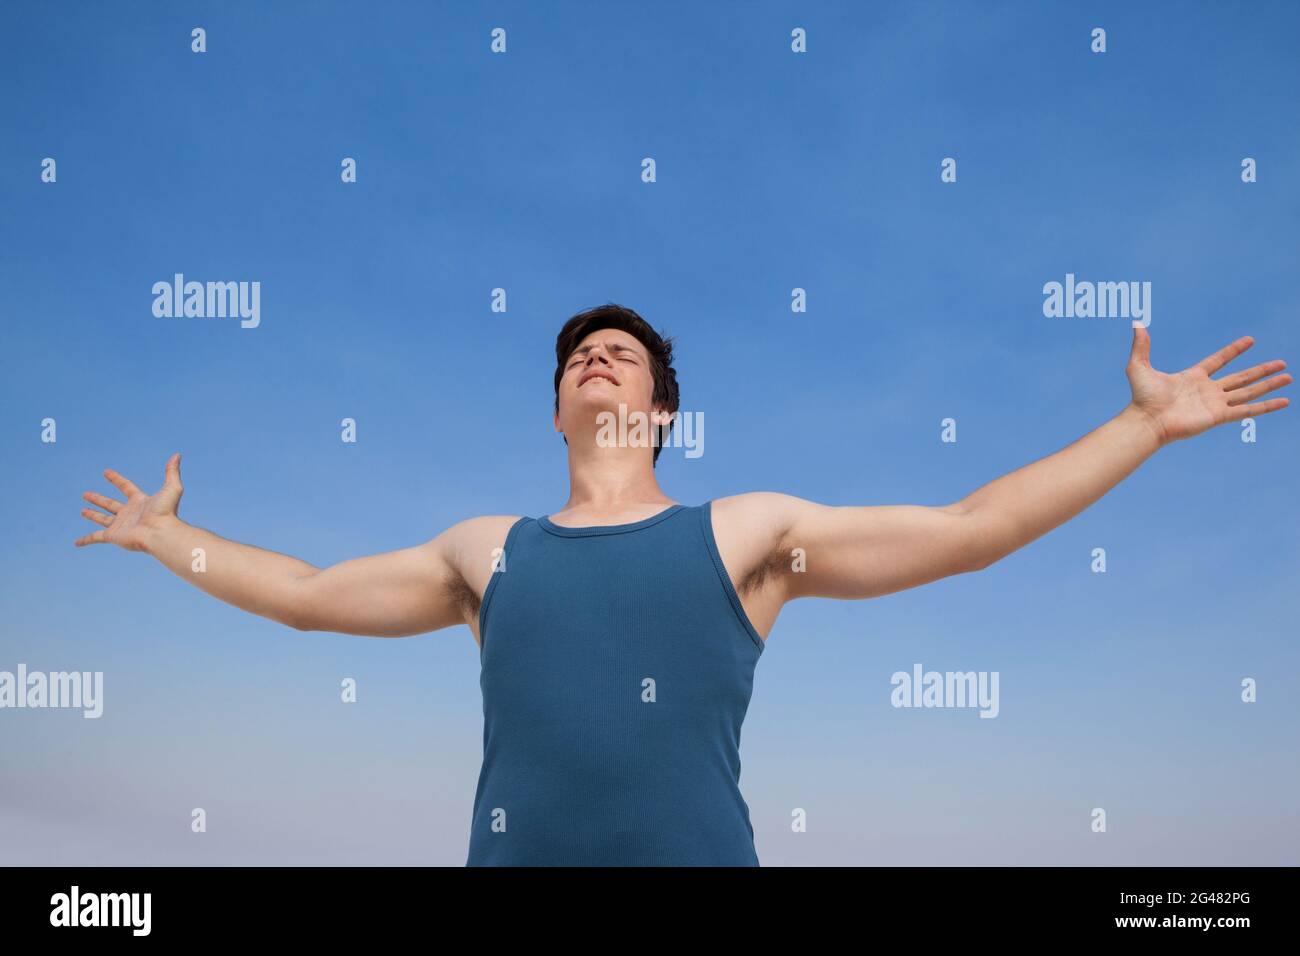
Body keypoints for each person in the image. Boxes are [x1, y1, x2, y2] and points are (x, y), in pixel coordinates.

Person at [74, 303, 1291, 866]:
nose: (594, 357)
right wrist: (162, 537)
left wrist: (1142, 428)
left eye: (623, 354)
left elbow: (971, 526)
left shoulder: (747, 532)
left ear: (658, 409)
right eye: (574, 357)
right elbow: (298, 588)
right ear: (558, 407)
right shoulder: (485, 551)